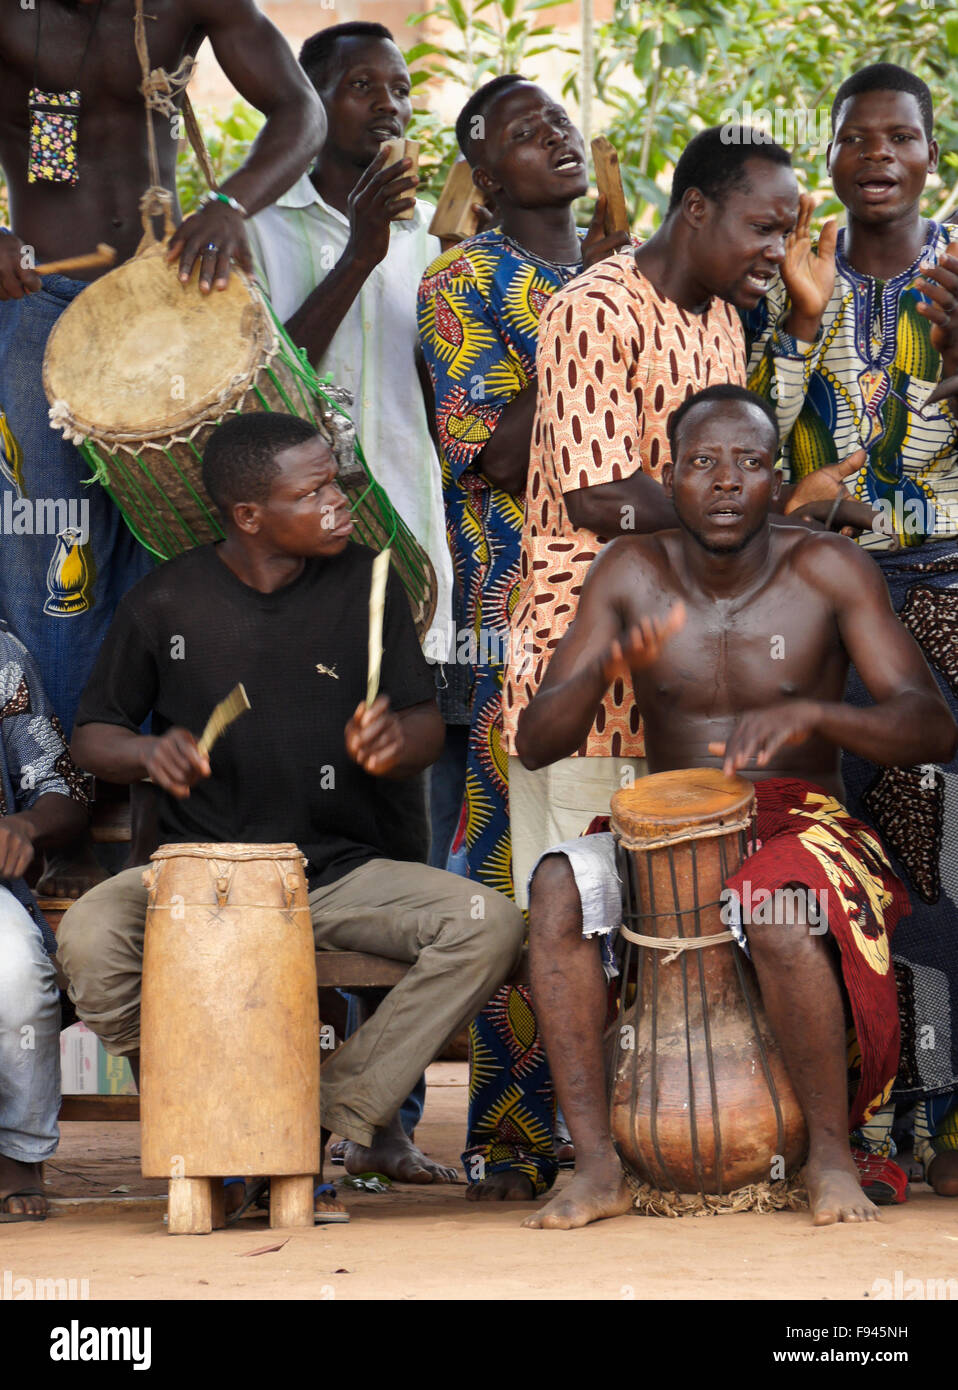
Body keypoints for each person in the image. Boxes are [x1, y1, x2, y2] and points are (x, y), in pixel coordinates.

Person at [55, 412, 525, 1217]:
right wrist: (145, 755)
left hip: (335, 874)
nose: (339, 502)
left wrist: (396, 741)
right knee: (88, 939)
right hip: (194, 878)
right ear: (249, 516)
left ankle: (313, 1117)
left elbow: (417, 724)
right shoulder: (165, 600)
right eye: (313, 492)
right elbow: (93, 735)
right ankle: (208, 1106)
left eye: (336, 481)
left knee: (488, 924)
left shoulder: (371, 583)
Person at [514, 384, 957, 1229]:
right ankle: (599, 1166)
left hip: (806, 821)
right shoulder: (630, 569)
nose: (725, 482)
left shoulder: (828, 567)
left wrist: (819, 714)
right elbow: (537, 739)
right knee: (556, 892)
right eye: (703, 463)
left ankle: (830, 1158)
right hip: (664, 823)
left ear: (776, 479)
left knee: (777, 907)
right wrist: (608, 659)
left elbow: (930, 725)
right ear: (669, 478)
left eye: (750, 463)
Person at [500, 125, 869, 906]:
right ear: (696, 209)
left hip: (685, 698)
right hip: (593, 690)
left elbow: (728, 467)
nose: (777, 251)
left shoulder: (722, 320)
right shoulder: (596, 308)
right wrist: (785, 535)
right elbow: (600, 495)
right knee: (591, 929)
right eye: (763, 228)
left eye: (787, 231)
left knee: (692, 945)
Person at [0, 0, 324, 889]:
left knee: (180, 553)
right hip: (38, 308)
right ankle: (62, 807)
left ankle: (175, 806)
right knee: (52, 565)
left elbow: (302, 110)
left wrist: (228, 202)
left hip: (169, 304)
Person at [746, 63, 958, 1197]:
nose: (878, 154)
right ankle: (873, 1117)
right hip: (824, 606)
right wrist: (806, 326)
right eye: (856, 138)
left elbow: (904, 470)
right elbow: (757, 447)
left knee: (944, 853)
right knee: (852, 861)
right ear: (829, 155)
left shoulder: (953, 277)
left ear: (930, 154)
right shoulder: (795, 282)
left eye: (901, 138)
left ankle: (946, 1107)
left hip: (941, 594)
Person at [417, 74, 630, 1201]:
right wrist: (589, 332)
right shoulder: (464, 282)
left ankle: (645, 1116)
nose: (554, 136)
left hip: (639, 606)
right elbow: (492, 453)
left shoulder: (618, 275)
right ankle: (513, 1132)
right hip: (517, 620)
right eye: (520, 131)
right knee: (520, 867)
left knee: (625, 858)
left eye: (562, 121)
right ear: (485, 173)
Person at [244, 20, 453, 667]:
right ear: (311, 99)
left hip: (409, 526)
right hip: (294, 539)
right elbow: (265, 385)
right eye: (363, 85)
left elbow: (441, 398)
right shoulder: (256, 229)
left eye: (401, 88)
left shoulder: (433, 242)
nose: (389, 104)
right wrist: (360, 255)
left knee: (408, 740)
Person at [0, 622, 89, 1220]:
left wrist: (24, 827)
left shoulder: (2, 656)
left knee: (17, 977)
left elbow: (63, 782)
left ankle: (17, 1153)